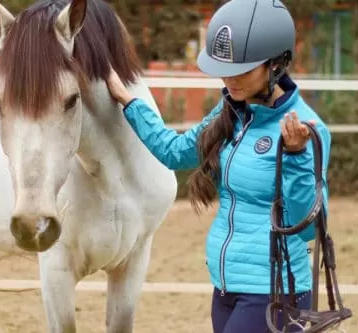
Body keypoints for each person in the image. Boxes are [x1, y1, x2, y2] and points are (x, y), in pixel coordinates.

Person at [106, 0, 331, 332]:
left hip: (274, 294)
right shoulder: (231, 114)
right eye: (224, 69)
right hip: (227, 287)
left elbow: (309, 225)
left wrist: (297, 157)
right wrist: (128, 101)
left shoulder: (306, 129)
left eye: (242, 69)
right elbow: (175, 151)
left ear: (276, 64)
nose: (229, 80)